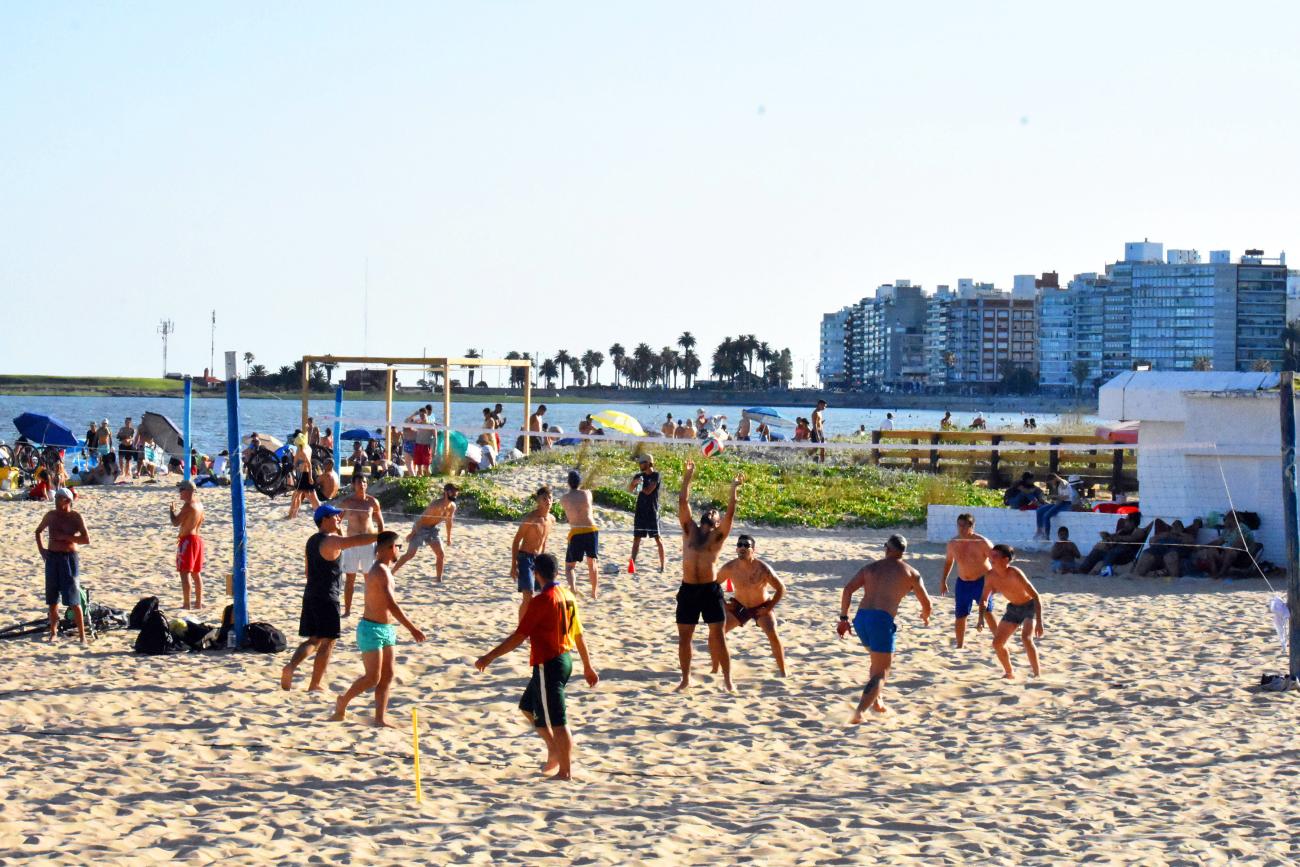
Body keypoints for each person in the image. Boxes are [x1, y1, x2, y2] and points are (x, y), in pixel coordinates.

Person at [475, 553, 599, 781]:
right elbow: (579, 634)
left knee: (558, 721)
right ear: (557, 573)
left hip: (549, 664)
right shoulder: (567, 594)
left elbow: (519, 636)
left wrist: (489, 657)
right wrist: (587, 666)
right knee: (527, 707)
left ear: (536, 574)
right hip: (564, 660)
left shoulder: (542, 600)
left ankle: (565, 771)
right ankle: (553, 750)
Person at [280, 504, 381, 692]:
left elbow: (307, 571)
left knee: (313, 640)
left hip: (310, 593)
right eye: (334, 516)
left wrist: (338, 528)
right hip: (327, 597)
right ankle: (315, 684)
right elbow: (357, 540)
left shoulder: (312, 540)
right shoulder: (331, 540)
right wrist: (379, 536)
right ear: (324, 519)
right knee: (328, 642)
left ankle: (291, 667)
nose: (338, 518)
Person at [330, 531, 427, 727]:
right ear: (390, 548)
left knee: (388, 675)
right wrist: (412, 628)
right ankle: (343, 701)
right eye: (398, 546)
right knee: (372, 677)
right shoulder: (380, 571)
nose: (400, 550)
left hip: (386, 629)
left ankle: (380, 717)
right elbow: (391, 604)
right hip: (371, 629)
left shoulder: (386, 570)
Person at [836, 534, 931, 722]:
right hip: (881, 620)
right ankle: (860, 712)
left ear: (887, 549)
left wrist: (843, 618)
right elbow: (926, 603)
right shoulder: (911, 572)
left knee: (876, 661)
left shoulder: (871, 568)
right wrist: (925, 616)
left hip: (861, 619)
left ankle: (877, 700)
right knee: (882, 671)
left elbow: (848, 589)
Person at [675, 460, 742, 693]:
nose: (713, 511)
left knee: (719, 636)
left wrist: (733, 491)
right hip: (688, 589)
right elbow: (683, 502)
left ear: (715, 524)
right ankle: (685, 679)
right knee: (685, 637)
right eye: (711, 511)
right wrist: (688, 476)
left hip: (710, 590)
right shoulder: (689, 530)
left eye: (716, 512)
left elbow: (730, 515)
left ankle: (728, 680)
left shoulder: (717, 538)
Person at [715, 534, 786, 677]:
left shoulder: (762, 568)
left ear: (753, 550)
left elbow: (781, 588)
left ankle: (783, 671)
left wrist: (769, 607)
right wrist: (724, 604)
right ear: (736, 549)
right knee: (717, 633)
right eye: (739, 545)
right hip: (739, 606)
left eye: (746, 545)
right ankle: (715, 669)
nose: (742, 548)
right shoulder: (730, 567)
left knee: (773, 634)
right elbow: (714, 585)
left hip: (761, 607)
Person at [980, 544, 1044, 679]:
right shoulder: (990, 576)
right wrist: (980, 618)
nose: (991, 558)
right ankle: (1009, 672)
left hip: (1029, 606)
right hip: (1013, 609)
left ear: (1005, 560)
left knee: (1026, 638)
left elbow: (1036, 596)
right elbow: (984, 599)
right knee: (997, 643)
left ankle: (1037, 674)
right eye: (991, 555)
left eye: (995, 556)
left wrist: (1039, 622)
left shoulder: (1015, 572)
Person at [35, 488, 89, 644]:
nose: (56, 501)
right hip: (52, 558)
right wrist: (42, 551)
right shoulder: (51, 516)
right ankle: (53, 632)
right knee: (52, 599)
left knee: (73, 598)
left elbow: (86, 539)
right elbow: (38, 531)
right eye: (56, 498)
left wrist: (65, 537)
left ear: (67, 501)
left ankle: (82, 636)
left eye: (59, 498)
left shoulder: (75, 517)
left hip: (69, 559)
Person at [938, 513, 998, 648]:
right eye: (959, 525)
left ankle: (1000, 641)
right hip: (963, 582)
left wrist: (995, 581)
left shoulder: (983, 543)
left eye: (964, 525)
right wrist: (943, 581)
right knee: (960, 615)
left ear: (972, 526)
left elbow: (996, 562)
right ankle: (960, 645)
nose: (961, 528)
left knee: (988, 612)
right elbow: (948, 562)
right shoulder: (953, 543)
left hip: (981, 581)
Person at [337, 473, 384, 615]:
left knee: (369, 578)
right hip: (351, 543)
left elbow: (381, 524)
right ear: (353, 485)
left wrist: (380, 544)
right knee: (350, 578)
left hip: (369, 542)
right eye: (359, 483)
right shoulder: (347, 502)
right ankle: (347, 610)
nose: (362, 485)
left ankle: (368, 609)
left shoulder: (372, 502)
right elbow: (336, 521)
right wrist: (341, 539)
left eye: (364, 483)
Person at [394, 483, 458, 582]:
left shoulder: (452, 506)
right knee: (410, 554)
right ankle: (392, 572)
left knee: (440, 554)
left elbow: (449, 521)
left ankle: (438, 579)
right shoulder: (435, 505)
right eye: (453, 491)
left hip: (433, 529)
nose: (455, 493)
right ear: (446, 492)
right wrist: (412, 533)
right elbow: (421, 520)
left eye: (456, 491)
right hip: (421, 528)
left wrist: (449, 538)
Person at [511, 486, 555, 617]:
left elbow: (544, 540)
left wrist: (543, 560)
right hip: (525, 558)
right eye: (544, 498)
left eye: (550, 498)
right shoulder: (531, 518)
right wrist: (514, 565)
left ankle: (534, 626)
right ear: (538, 501)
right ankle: (521, 630)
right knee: (528, 596)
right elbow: (516, 541)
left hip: (539, 559)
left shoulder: (552, 519)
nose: (548, 501)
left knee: (544, 594)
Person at [559, 471, 600, 599]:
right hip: (591, 529)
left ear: (568, 483)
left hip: (576, 531)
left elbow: (568, 515)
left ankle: (573, 588)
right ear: (579, 482)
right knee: (592, 563)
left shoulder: (564, 498)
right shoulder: (587, 494)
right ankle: (594, 593)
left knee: (570, 566)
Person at [169, 480, 205, 610]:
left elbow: (175, 522)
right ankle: (198, 603)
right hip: (197, 539)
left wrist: (171, 511)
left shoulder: (188, 506)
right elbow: (201, 521)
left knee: (185, 573)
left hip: (188, 540)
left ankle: (187, 604)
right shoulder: (199, 505)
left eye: (181, 490)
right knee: (196, 573)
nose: (179, 493)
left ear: (187, 491)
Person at [627, 454, 665, 572]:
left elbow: (649, 491)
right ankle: (632, 564)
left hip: (652, 512)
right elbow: (630, 489)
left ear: (649, 463)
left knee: (658, 539)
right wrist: (634, 483)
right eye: (640, 462)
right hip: (640, 511)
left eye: (642, 462)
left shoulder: (656, 475)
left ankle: (663, 566)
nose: (640, 464)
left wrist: (639, 485)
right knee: (636, 539)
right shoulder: (639, 476)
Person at [1034, 474, 1079, 539]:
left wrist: (1053, 496)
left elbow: (1065, 497)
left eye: (1051, 482)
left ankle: (1046, 536)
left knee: (1046, 516)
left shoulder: (1063, 483)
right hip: (1060, 502)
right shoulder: (1058, 484)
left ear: (1054, 479)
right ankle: (1039, 530)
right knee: (1039, 510)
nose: (1051, 484)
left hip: (1065, 503)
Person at [286, 437, 319, 519]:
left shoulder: (302, 451)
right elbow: (295, 464)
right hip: (305, 475)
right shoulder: (305, 449)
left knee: (305, 496)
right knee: (300, 495)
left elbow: (309, 465)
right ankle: (293, 514)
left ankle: (292, 515)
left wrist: (310, 477)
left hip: (307, 475)